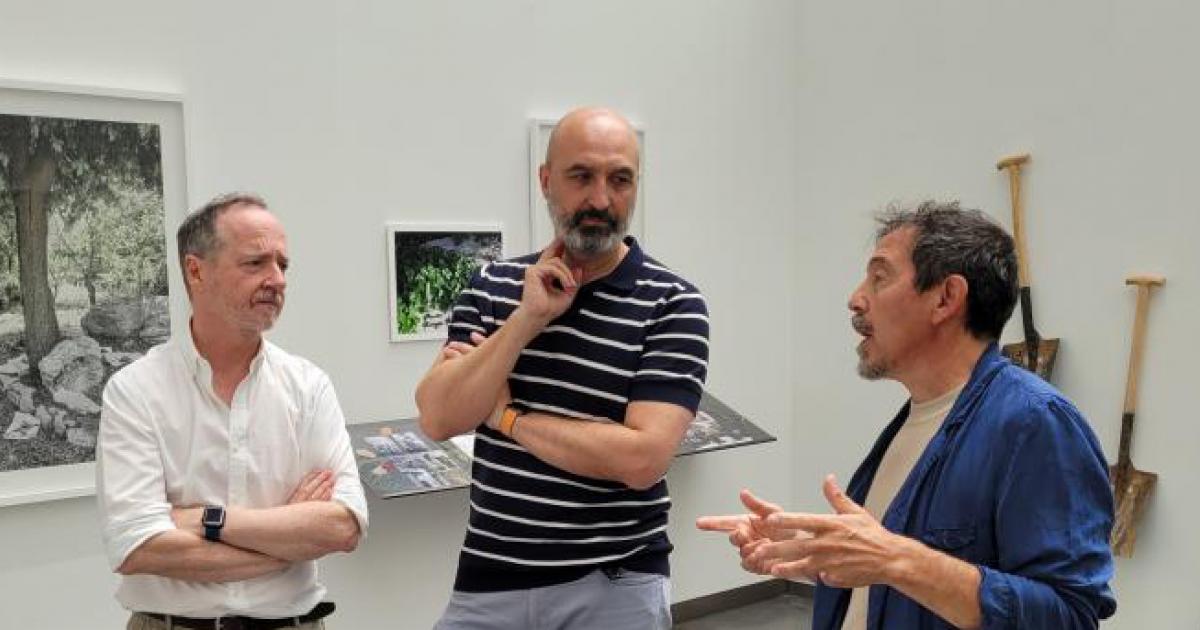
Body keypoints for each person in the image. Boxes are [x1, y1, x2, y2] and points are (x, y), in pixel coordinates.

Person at [698, 201, 1115, 629]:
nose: (856, 299)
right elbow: (895, 578)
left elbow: (1069, 615)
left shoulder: (1035, 423)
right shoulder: (917, 418)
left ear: (946, 298)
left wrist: (894, 558)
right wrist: (814, 549)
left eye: (879, 278)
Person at [415, 107, 710, 629]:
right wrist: (526, 319)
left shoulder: (673, 304)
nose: (600, 199)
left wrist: (509, 418)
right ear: (546, 181)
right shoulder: (492, 285)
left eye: (619, 180)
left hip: (612, 583)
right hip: (489, 578)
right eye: (581, 177)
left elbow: (641, 460)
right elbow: (440, 418)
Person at [96, 193, 368, 630]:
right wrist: (289, 539)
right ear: (196, 271)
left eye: (283, 264)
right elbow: (139, 548)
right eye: (255, 263)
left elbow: (341, 528)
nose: (277, 279)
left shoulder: (308, 386)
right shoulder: (135, 391)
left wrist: (206, 519)